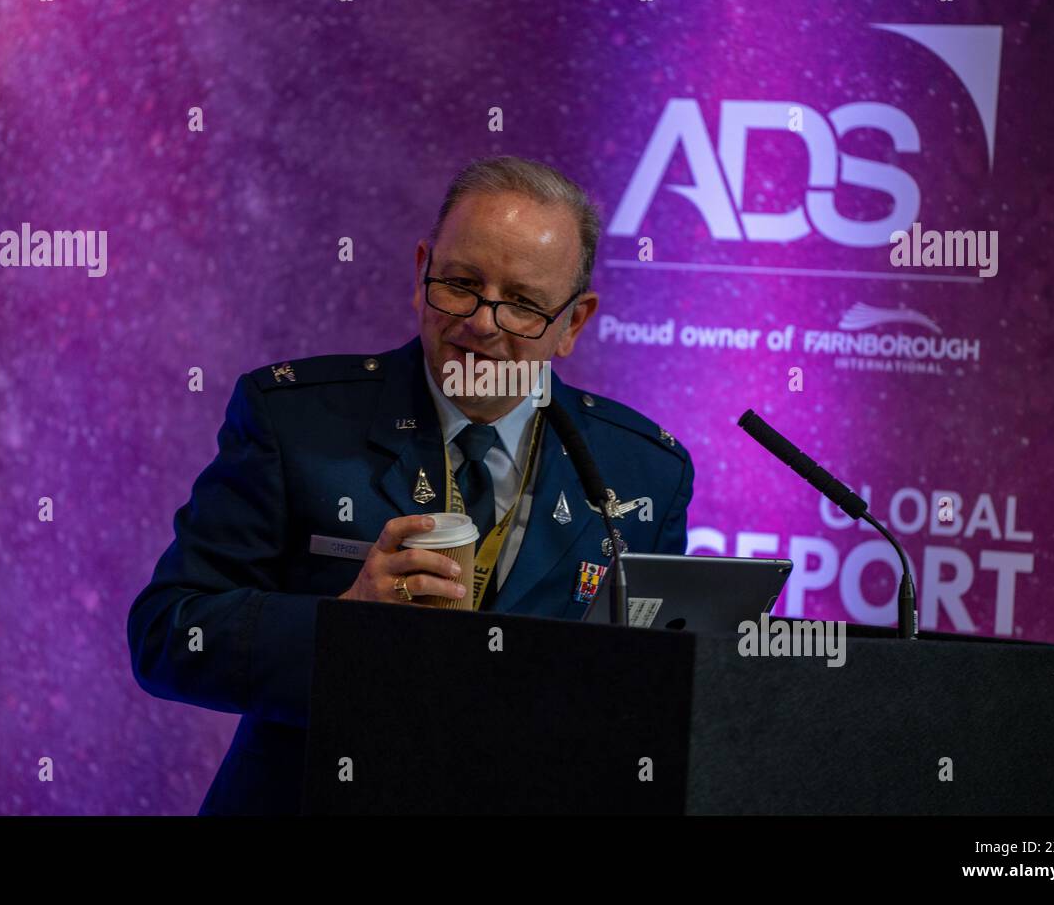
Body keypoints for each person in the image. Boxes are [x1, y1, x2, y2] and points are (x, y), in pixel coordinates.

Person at [127, 155, 694, 814]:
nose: (482, 323)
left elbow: (652, 702)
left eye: (522, 304)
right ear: (421, 267)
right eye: (459, 283)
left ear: (574, 322)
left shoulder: (643, 472)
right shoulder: (294, 420)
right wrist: (344, 626)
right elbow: (167, 634)